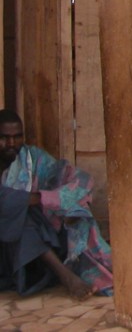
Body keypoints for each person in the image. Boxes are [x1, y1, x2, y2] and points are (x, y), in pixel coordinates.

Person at [0, 109, 112, 299]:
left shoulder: (32, 159)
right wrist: (25, 201)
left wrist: (49, 198)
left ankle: (86, 268)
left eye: (17, 137)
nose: (12, 143)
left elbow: (77, 179)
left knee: (75, 209)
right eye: (4, 137)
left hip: (36, 241)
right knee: (19, 214)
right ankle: (68, 278)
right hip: (5, 249)